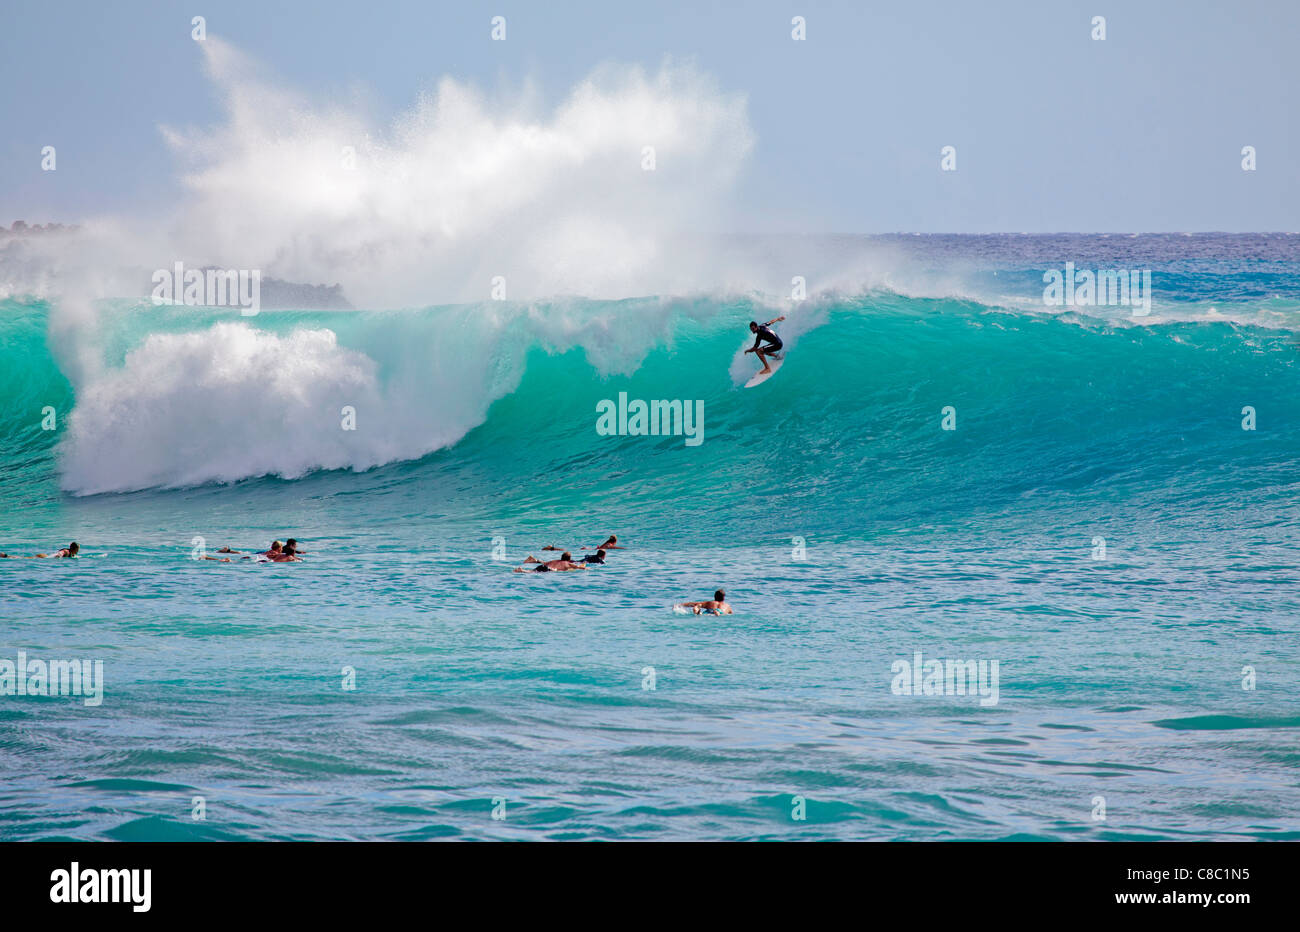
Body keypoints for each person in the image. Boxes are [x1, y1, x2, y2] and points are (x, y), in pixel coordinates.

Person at [515, 552, 586, 572]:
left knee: (532, 571)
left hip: (544, 566)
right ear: (569, 559)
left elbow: (544, 563)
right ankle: (522, 570)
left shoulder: (554, 561)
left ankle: (522, 570)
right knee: (531, 572)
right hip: (548, 569)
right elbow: (579, 567)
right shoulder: (568, 563)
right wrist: (587, 569)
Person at [1, 542, 79, 559]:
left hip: (45, 556)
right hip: (44, 557)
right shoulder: (67, 551)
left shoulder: (72, 554)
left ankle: (5, 556)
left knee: (25, 557)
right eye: (78, 549)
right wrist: (59, 555)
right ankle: (5, 556)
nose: (78, 551)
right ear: (74, 549)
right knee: (24, 558)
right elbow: (61, 553)